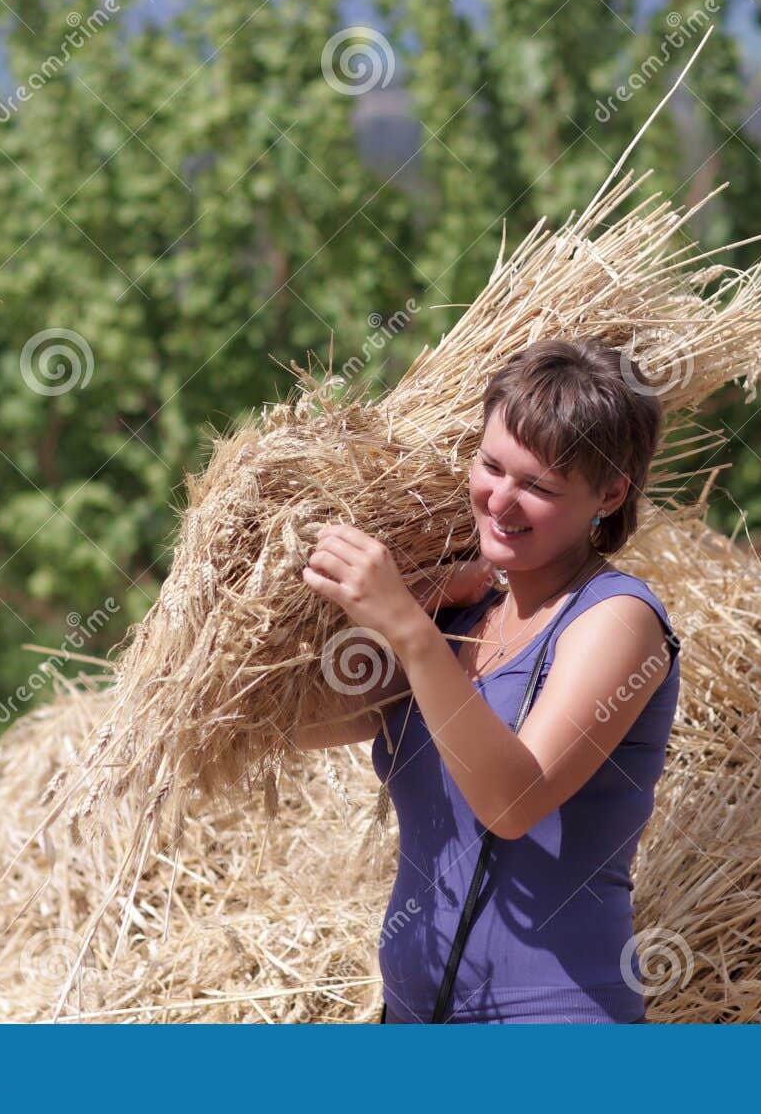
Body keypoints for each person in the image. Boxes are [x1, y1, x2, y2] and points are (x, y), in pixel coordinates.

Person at [296, 337, 681, 1023]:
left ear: (611, 493)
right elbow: (298, 724)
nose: (501, 500)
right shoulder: (463, 615)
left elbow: (513, 799)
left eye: (537, 485)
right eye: (490, 465)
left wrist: (410, 630)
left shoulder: (617, 619)